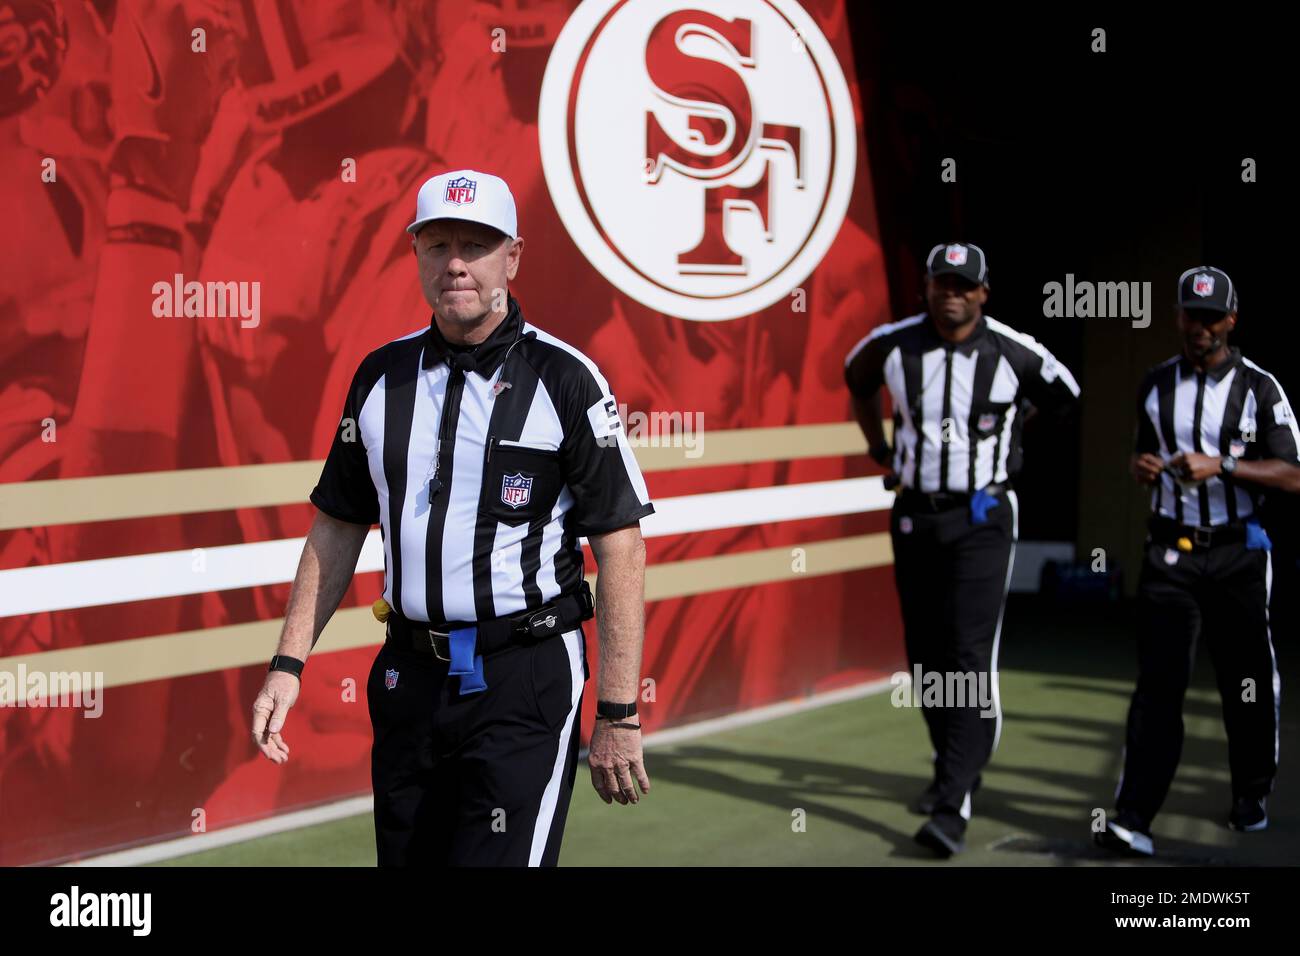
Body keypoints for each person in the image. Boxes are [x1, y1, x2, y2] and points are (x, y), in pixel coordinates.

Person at [249, 169, 655, 866]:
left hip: (522, 677)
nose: (456, 264)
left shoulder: (566, 379)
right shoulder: (380, 377)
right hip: (409, 676)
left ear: (514, 257)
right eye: (437, 246)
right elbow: (339, 525)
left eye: (476, 245)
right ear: (416, 256)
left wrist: (618, 711)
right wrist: (289, 662)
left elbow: (620, 548)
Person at [844, 242, 1080, 857]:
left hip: (982, 518)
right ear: (926, 288)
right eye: (940, 283)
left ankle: (954, 803)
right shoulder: (894, 344)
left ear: (982, 293)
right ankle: (948, 770)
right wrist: (881, 449)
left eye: (962, 285)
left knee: (968, 654)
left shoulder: (1010, 350)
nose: (951, 293)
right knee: (925, 655)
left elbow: (1066, 396)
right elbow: (856, 379)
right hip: (916, 514)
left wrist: (1011, 443)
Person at [1096, 266, 1300, 856]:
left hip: (1238, 550)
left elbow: (1292, 474)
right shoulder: (1156, 385)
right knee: (1160, 685)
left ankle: (1251, 791)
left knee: (1246, 682)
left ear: (1231, 320)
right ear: (1178, 317)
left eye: (1212, 318)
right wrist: (1141, 468)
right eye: (1191, 315)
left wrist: (1225, 466)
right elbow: (1141, 452)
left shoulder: (1261, 389)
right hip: (1170, 554)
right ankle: (1134, 814)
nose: (1200, 328)